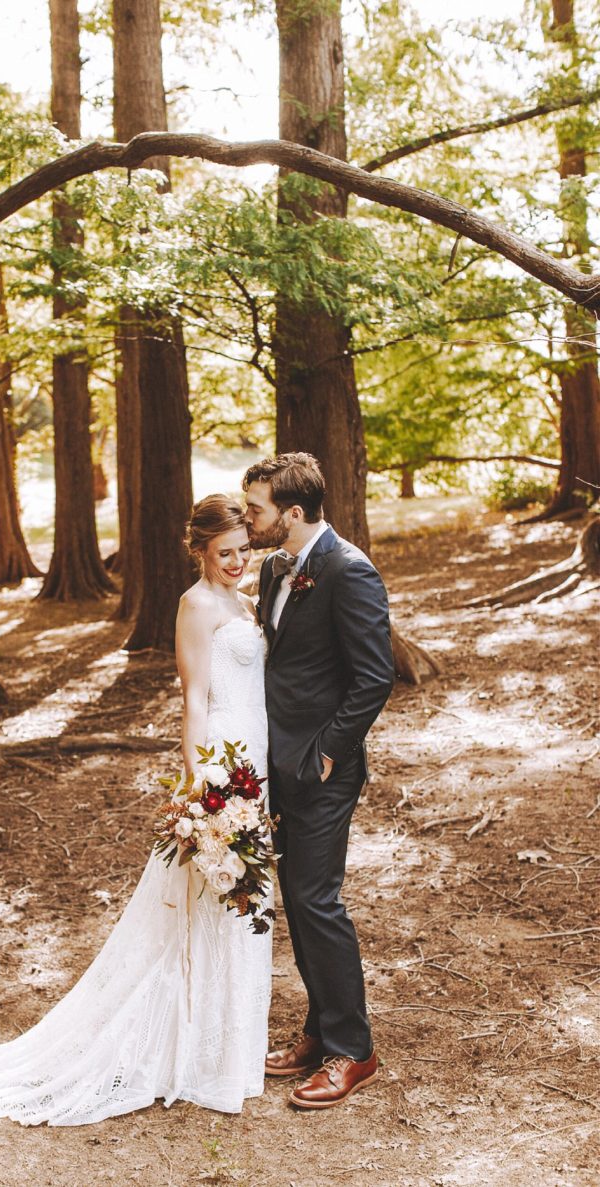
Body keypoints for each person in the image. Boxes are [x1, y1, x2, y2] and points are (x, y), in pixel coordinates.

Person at [0, 494, 272, 1124]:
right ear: (199, 549)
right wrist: (201, 785)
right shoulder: (194, 606)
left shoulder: (248, 603)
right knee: (210, 901)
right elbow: (194, 700)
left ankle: (231, 1050)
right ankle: (196, 1052)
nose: (237, 562)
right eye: (224, 553)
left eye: (244, 550)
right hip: (222, 762)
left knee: (245, 904)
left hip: (259, 757)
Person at [242, 452, 394, 1109]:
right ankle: (320, 1029)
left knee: (317, 899)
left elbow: (374, 677)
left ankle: (354, 1050)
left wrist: (328, 752)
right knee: (298, 902)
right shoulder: (274, 568)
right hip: (278, 765)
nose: (248, 519)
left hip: (323, 769)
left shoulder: (348, 570)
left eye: (256, 509)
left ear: (293, 512)